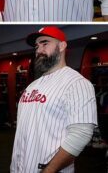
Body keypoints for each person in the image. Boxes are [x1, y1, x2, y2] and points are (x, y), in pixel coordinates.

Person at [11, 26, 97, 172]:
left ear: (62, 46)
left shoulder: (77, 83)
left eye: (45, 43)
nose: (38, 50)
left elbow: (80, 134)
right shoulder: (32, 86)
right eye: (37, 46)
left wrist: (48, 170)